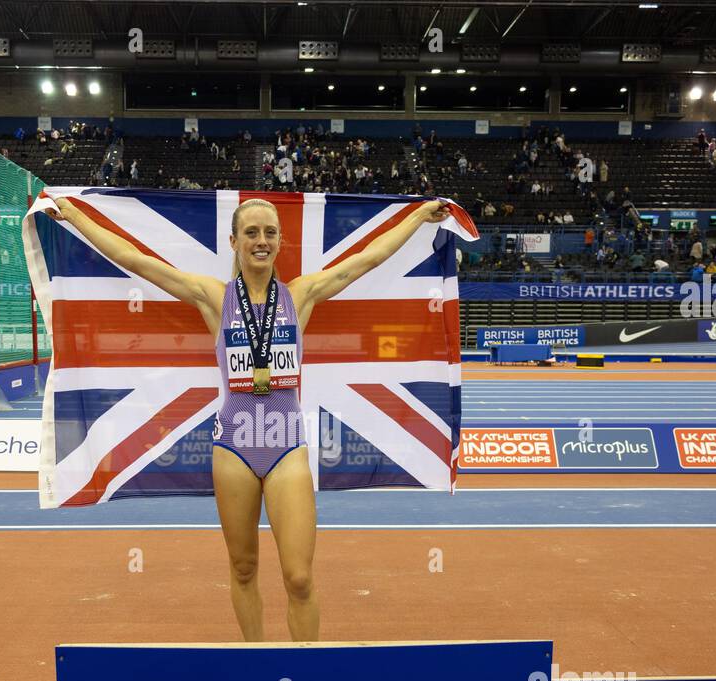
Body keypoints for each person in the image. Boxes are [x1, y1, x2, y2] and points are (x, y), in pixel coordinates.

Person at [44, 195, 452, 642]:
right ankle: (258, 661)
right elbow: (135, 260)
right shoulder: (213, 297)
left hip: (287, 445)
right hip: (233, 447)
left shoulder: (301, 295)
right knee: (242, 568)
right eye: (252, 233)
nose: (261, 241)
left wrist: (415, 217)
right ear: (234, 241)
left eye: (270, 233)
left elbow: (367, 259)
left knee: (298, 577)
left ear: (281, 241)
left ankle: (305, 671)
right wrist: (76, 217)